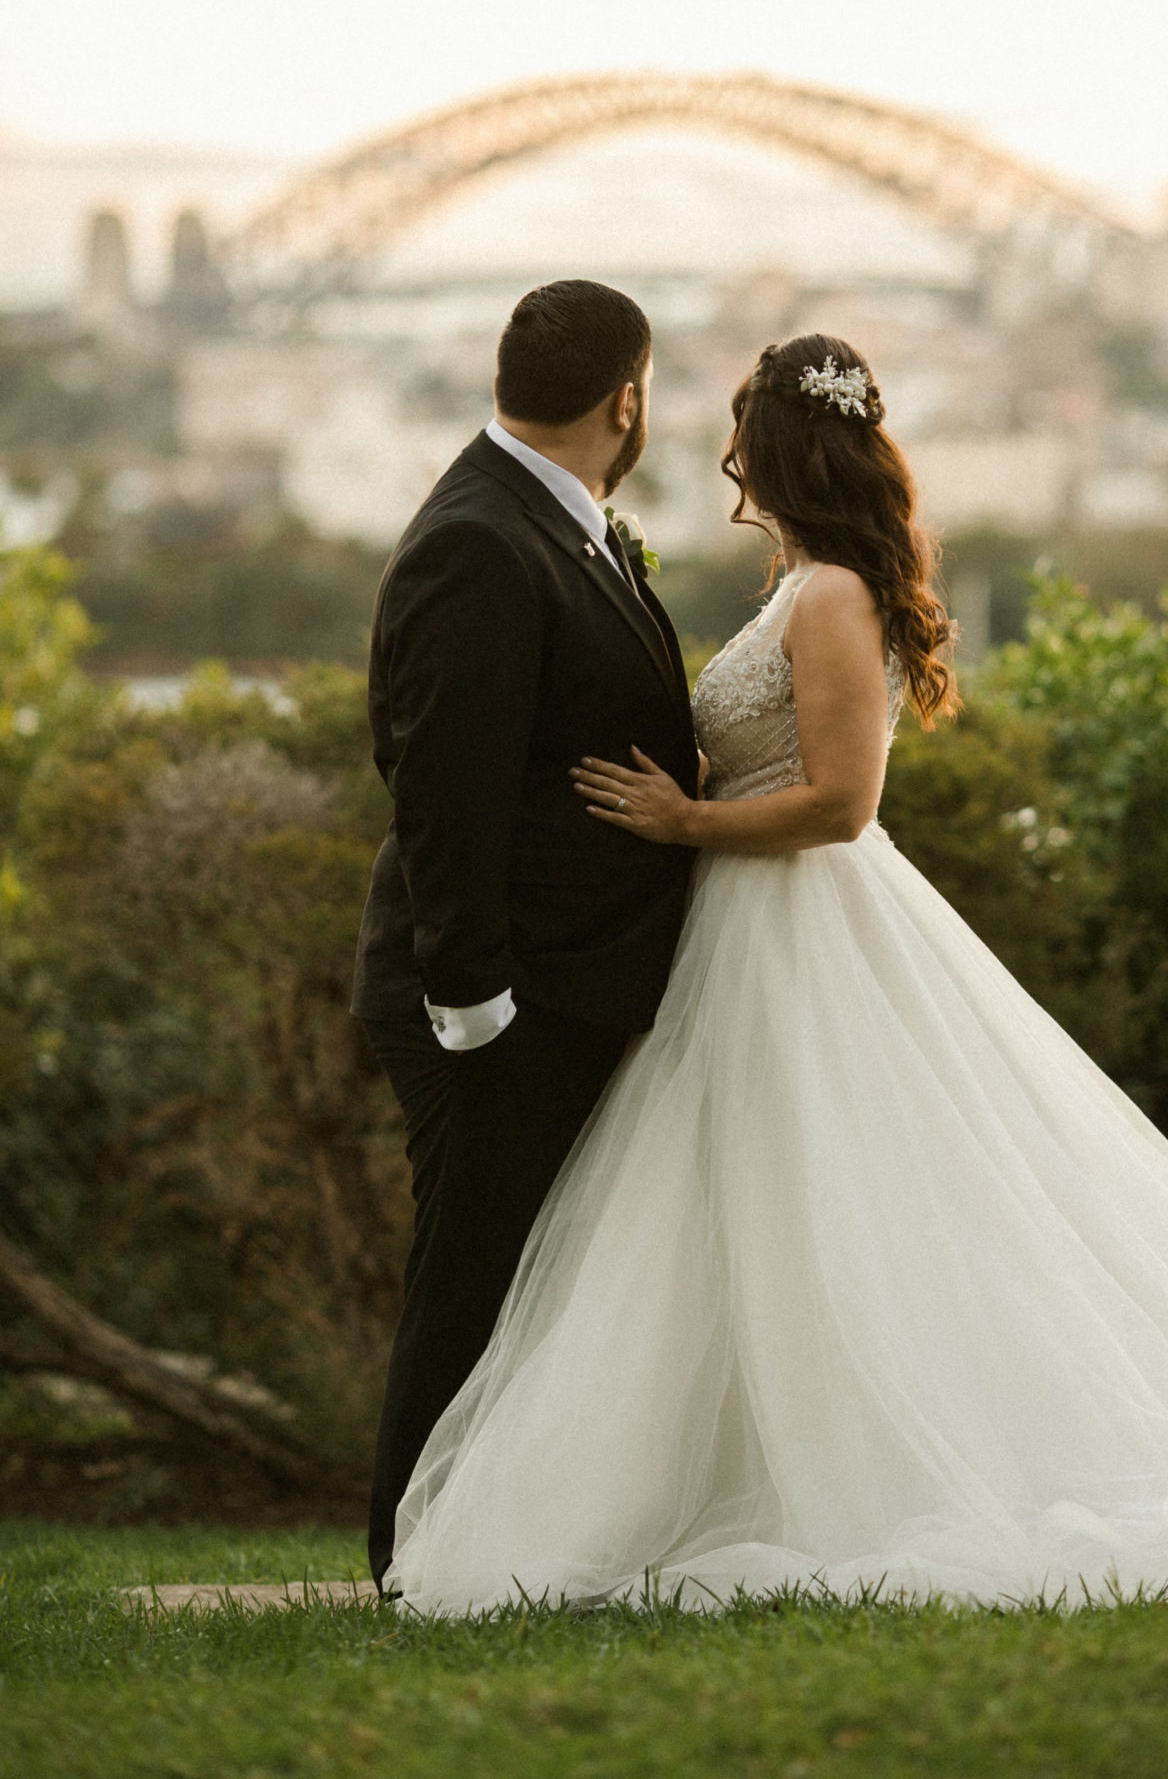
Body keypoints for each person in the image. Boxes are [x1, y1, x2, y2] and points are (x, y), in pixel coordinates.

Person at [385, 333, 1168, 1615]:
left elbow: (842, 803)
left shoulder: (836, 593)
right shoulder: (801, 584)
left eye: (742, 438)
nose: (727, 461)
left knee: (825, 1203)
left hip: (802, 927)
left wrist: (685, 823)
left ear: (784, 451)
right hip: (741, 931)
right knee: (750, 1208)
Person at [352, 280, 699, 1590]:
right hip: (495, 996)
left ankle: (499, 1542)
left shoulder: (560, 522)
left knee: (535, 1274)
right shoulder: (478, 541)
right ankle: (413, 1563)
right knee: (472, 1278)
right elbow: (439, 783)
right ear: (627, 398)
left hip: (564, 979)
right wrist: (474, 1003)